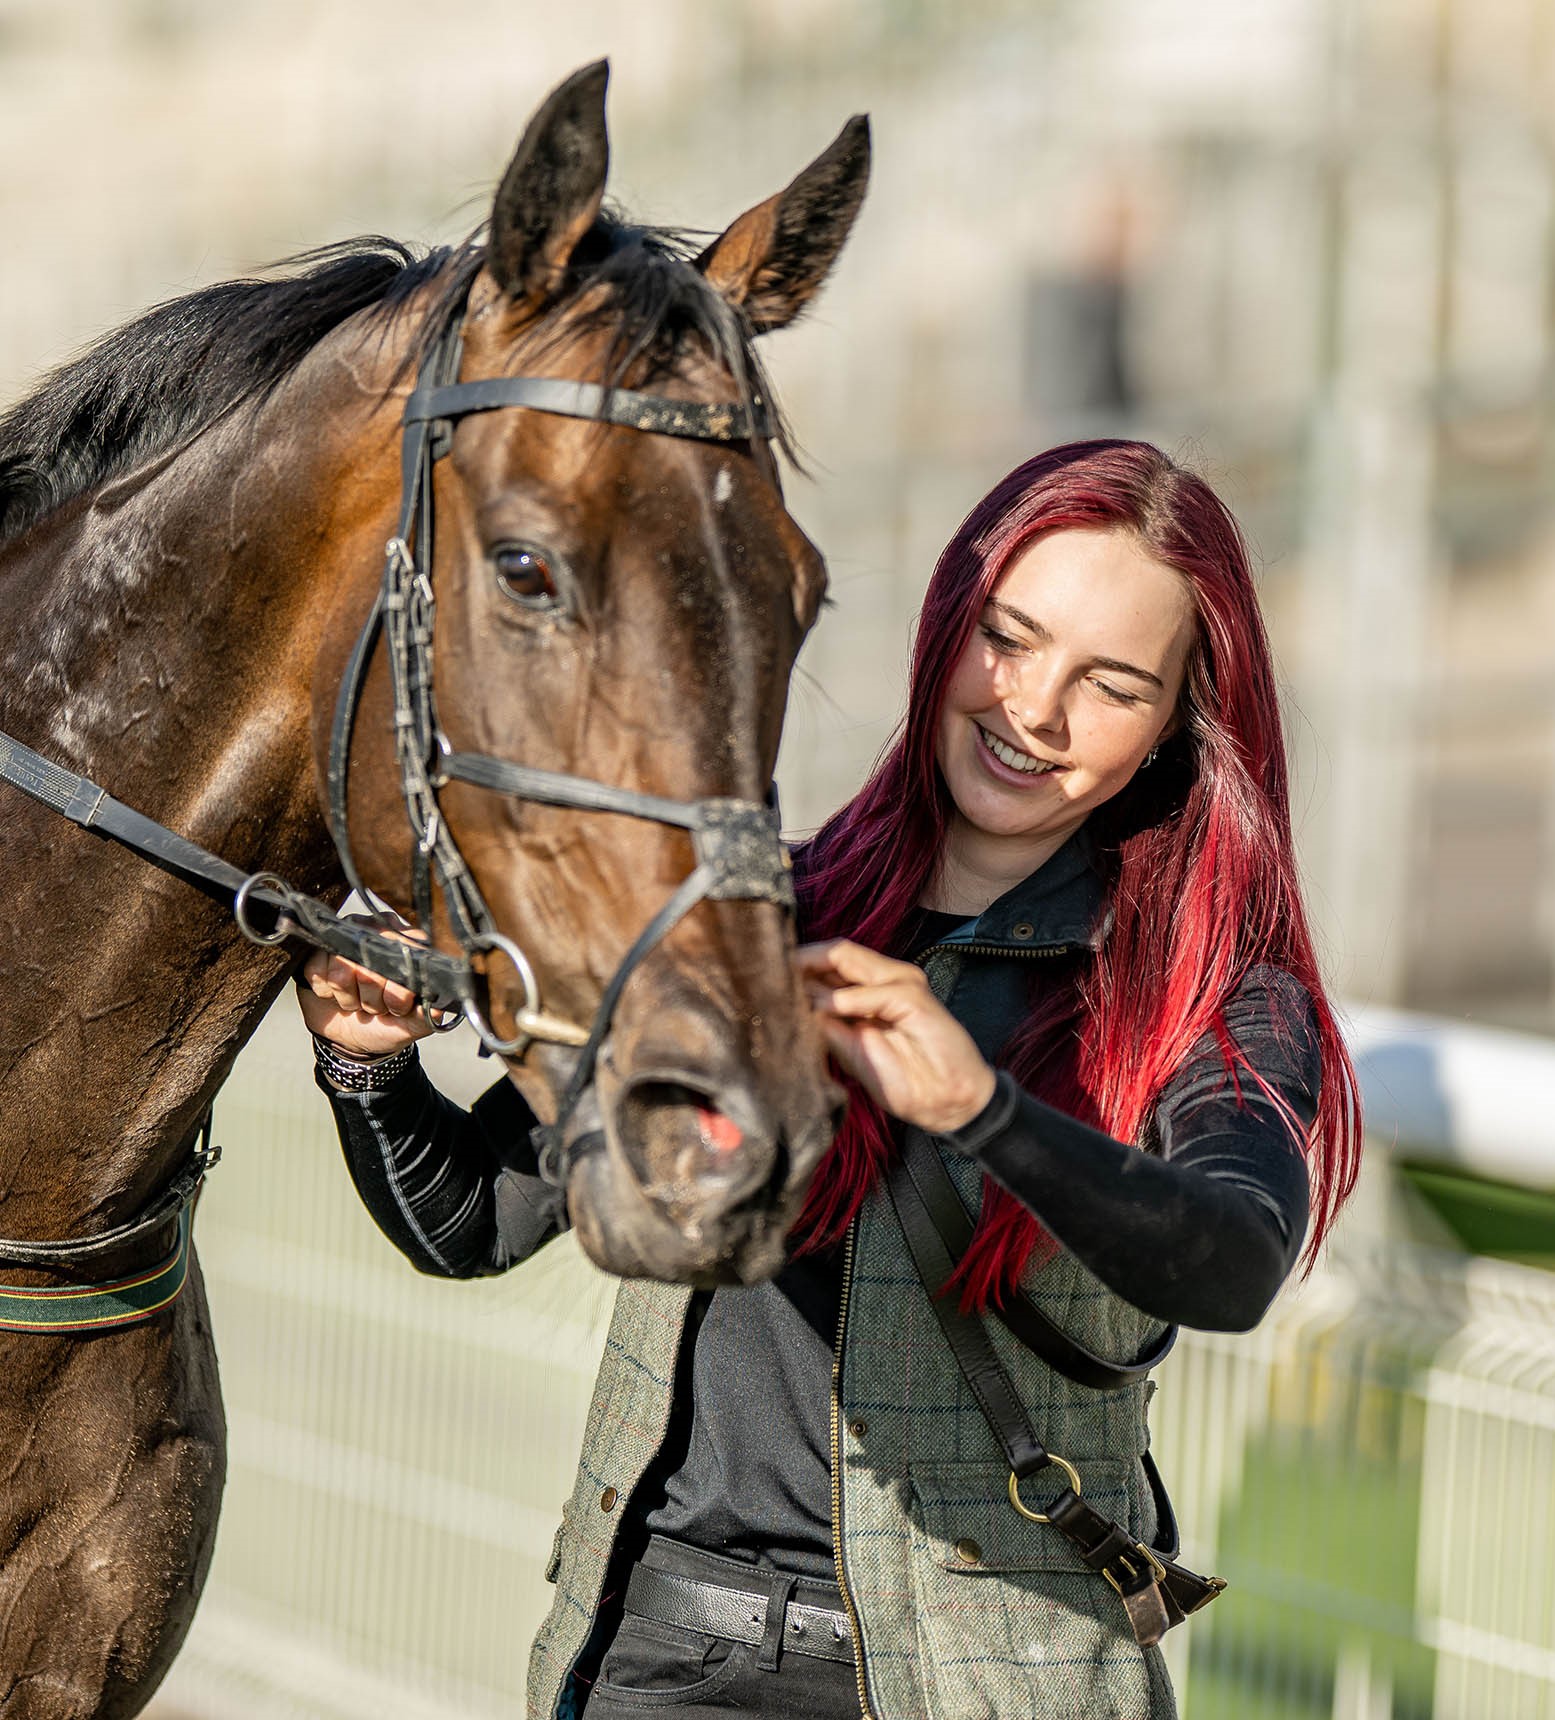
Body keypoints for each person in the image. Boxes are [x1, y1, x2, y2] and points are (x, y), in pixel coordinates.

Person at [298, 439, 1360, 1720]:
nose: (1031, 709)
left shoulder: (1216, 998)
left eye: (1111, 683)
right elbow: (475, 1219)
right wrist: (366, 1064)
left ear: (1175, 726)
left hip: (993, 1682)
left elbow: (1234, 1260)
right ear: (945, 627)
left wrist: (982, 1109)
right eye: (1007, 639)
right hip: (661, 1654)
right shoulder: (751, 918)